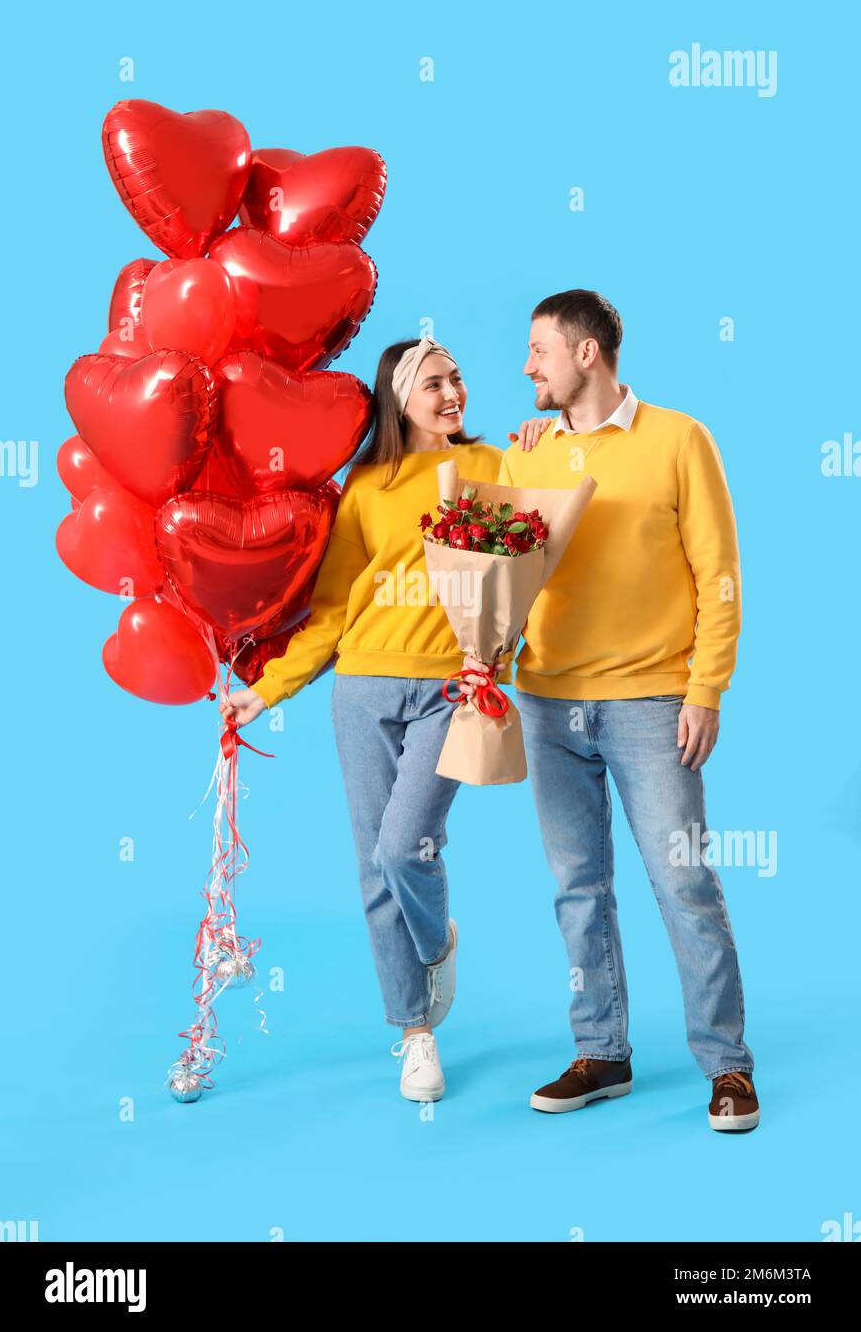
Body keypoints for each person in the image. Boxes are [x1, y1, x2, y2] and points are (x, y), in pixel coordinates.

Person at [462, 290, 759, 1132]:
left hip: (652, 703)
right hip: (549, 702)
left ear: (586, 354)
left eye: (538, 351)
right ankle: (603, 1052)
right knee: (577, 887)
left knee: (684, 882)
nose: (526, 367)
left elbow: (720, 575)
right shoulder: (524, 458)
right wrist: (484, 656)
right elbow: (498, 581)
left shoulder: (679, 439)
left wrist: (706, 689)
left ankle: (728, 1066)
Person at [221, 337, 503, 1104]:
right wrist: (268, 689)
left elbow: (528, 563)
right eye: (435, 383)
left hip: (447, 689)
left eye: (458, 377)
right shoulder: (366, 488)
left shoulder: (494, 468)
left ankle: (436, 937)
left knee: (404, 848)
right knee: (372, 864)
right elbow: (334, 609)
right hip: (363, 692)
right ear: (400, 398)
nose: (454, 392)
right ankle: (416, 1034)